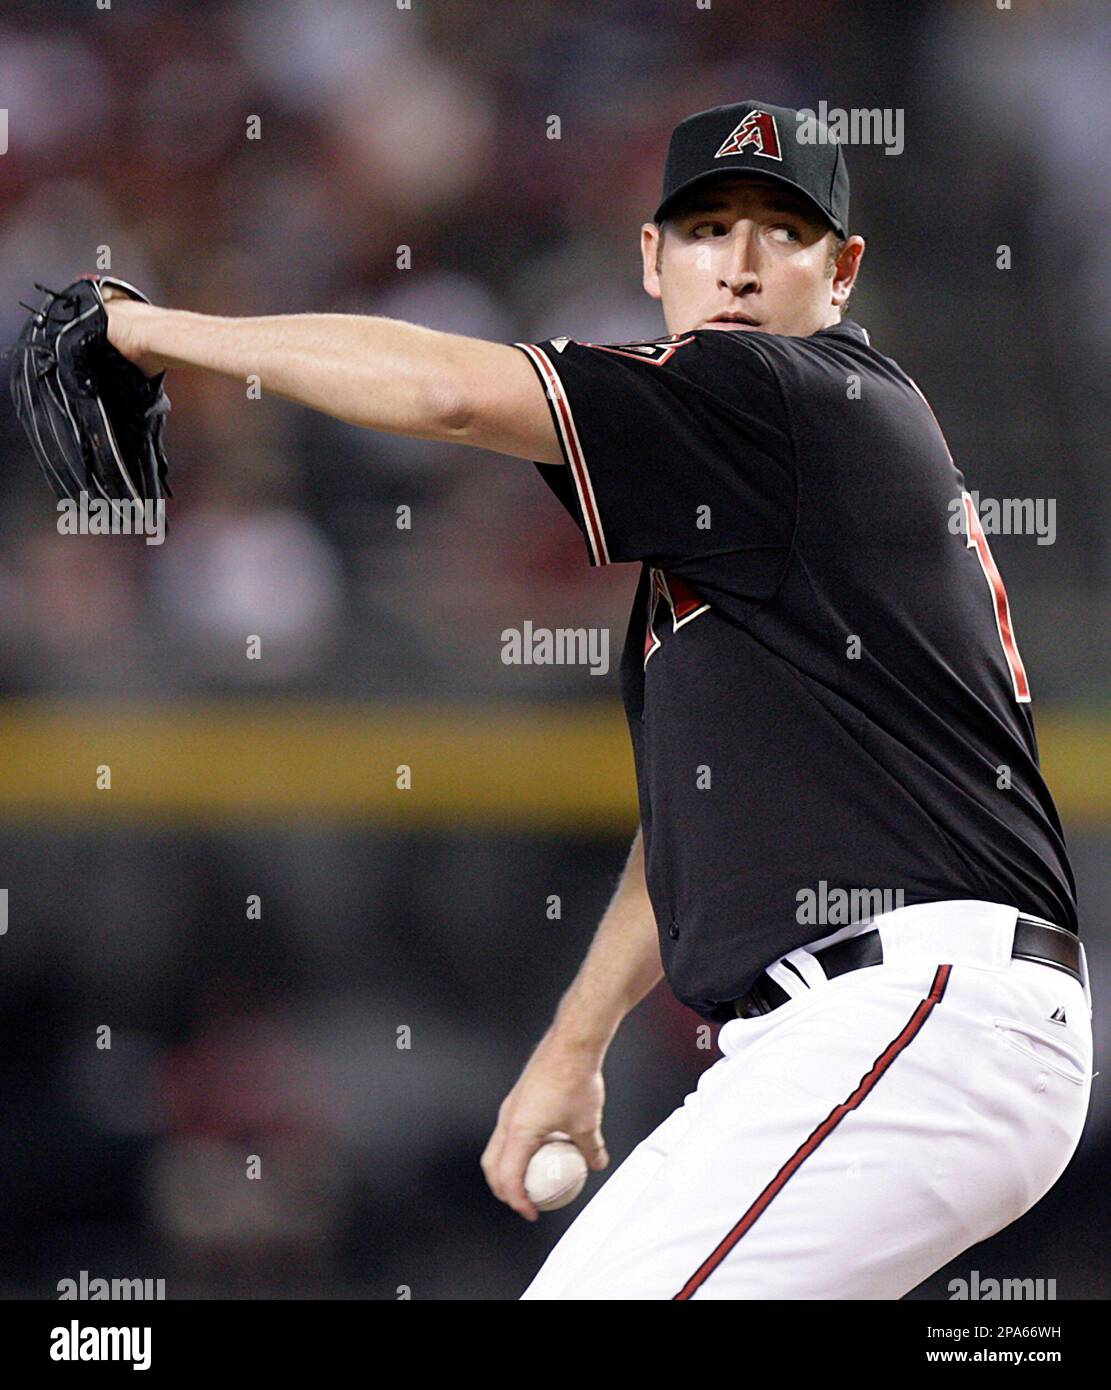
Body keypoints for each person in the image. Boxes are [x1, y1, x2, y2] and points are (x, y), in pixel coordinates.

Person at [104, 100, 1093, 1300]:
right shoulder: (749, 506)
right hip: (869, 1030)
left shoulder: (781, 395)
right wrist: (576, 1046)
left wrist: (154, 331)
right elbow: (702, 818)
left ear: (841, 272)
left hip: (919, 1012)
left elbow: (451, 396)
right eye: (705, 228)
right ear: (650, 257)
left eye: (782, 233)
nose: (737, 264)